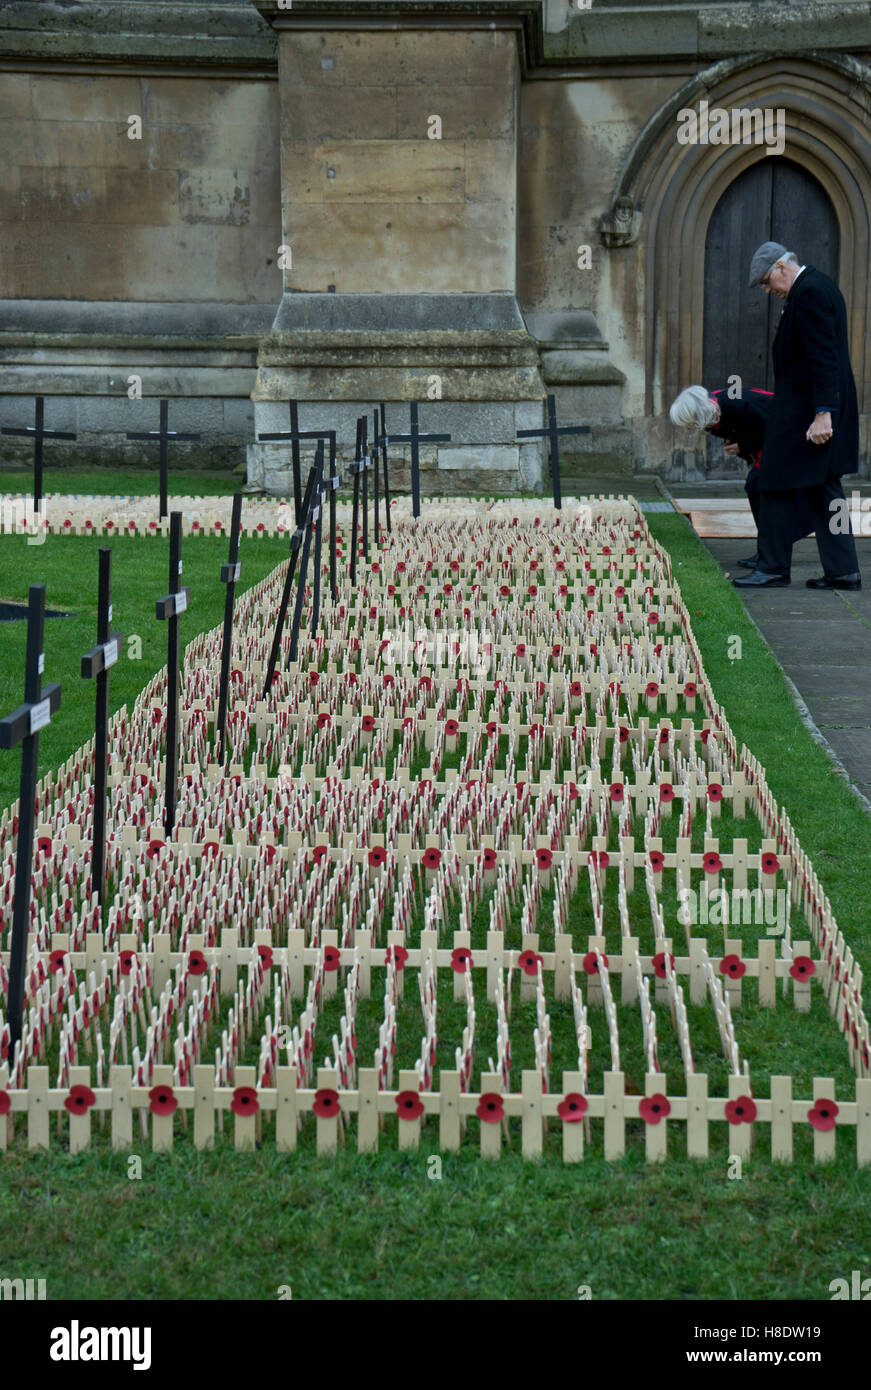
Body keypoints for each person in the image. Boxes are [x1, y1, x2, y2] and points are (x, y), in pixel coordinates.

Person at [735, 243, 861, 590]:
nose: (767, 290)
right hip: (809, 408)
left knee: (772, 479)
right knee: (826, 488)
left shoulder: (810, 293)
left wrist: (824, 414)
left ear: (780, 267)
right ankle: (843, 571)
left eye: (766, 281)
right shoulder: (816, 287)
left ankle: (773, 567)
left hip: (807, 412)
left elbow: (825, 357)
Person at [669, 382, 809, 566]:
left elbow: (770, 427)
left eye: (689, 423)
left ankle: (774, 554)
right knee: (755, 490)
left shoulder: (737, 405)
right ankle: (767, 552)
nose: (689, 428)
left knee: (764, 492)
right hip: (768, 445)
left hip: (788, 433)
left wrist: (742, 446)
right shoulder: (713, 413)